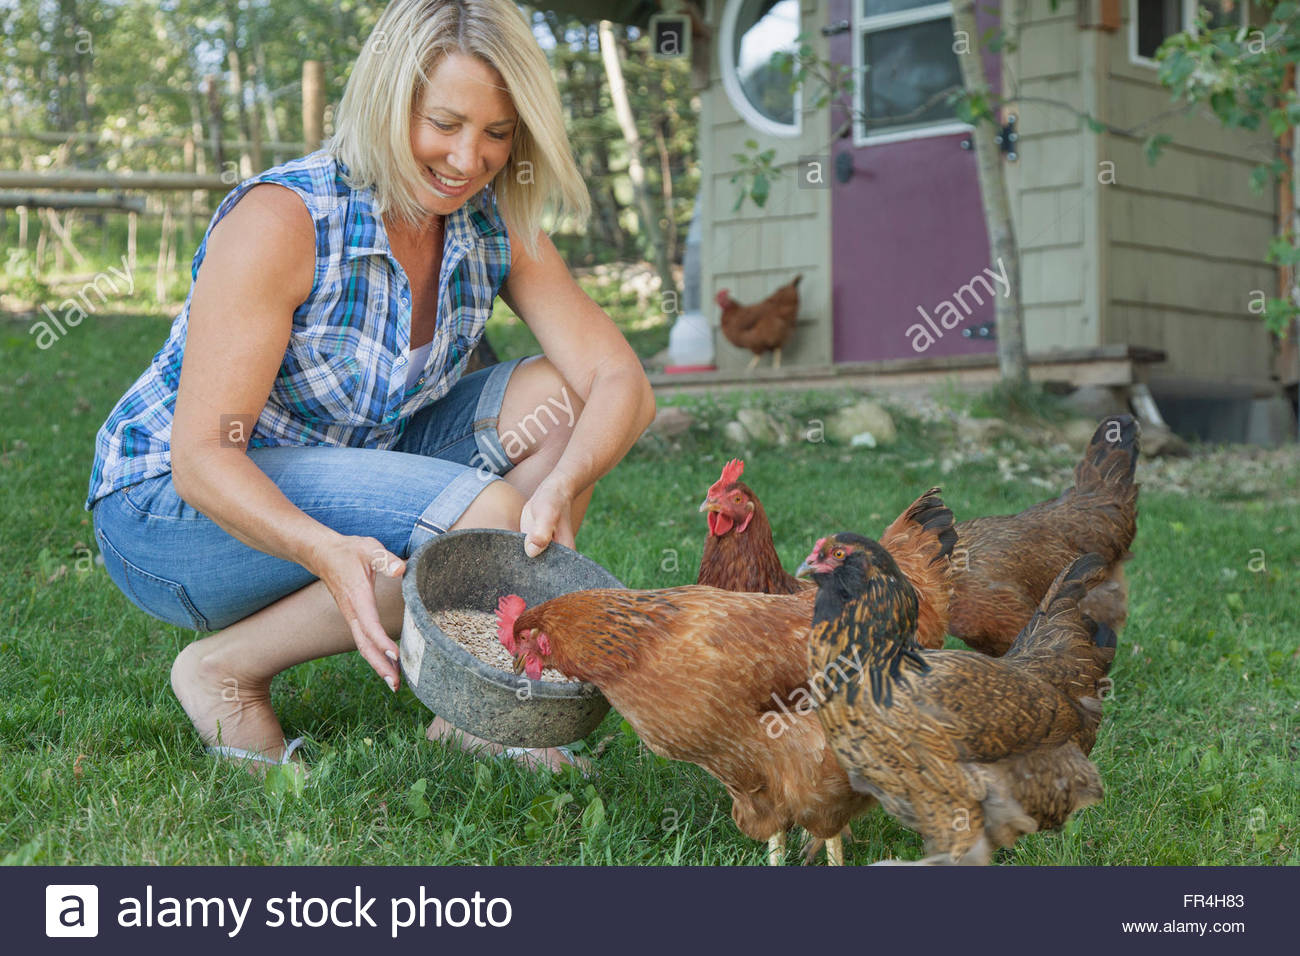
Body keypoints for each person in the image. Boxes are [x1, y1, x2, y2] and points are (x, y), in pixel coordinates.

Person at [85, 0, 656, 772]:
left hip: (351, 459)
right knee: (484, 518)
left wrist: (564, 482)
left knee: (567, 398)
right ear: (389, 104)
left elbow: (619, 377)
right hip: (172, 509)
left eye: (497, 133)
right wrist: (324, 548)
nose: (468, 158)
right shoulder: (284, 219)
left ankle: (476, 711)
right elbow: (203, 459)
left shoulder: (491, 222)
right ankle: (224, 668)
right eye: (444, 123)